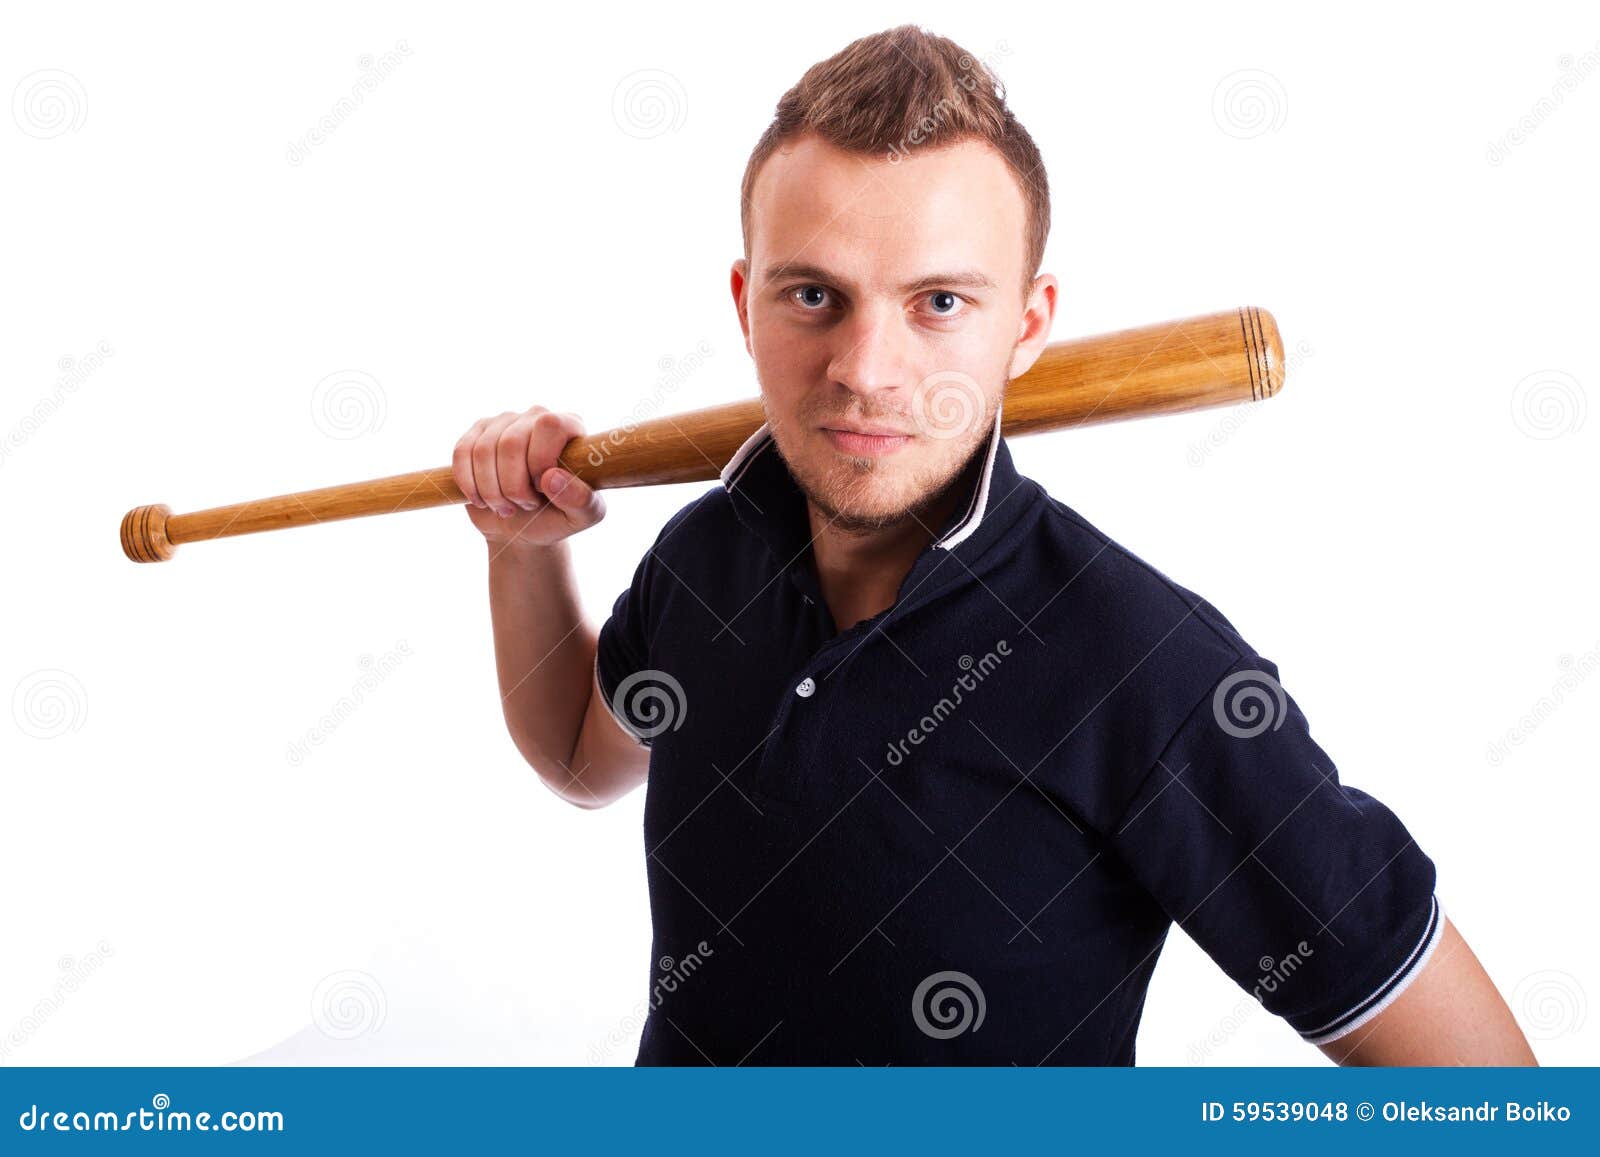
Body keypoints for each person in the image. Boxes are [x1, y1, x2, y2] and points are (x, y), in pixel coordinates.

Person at [451, 24, 1535, 1066]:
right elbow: (580, 757)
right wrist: (522, 547)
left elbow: (1484, 1095)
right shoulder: (705, 555)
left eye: (938, 301)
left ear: (1025, 320)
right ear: (746, 303)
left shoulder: (1146, 668)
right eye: (814, 295)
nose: (865, 368)